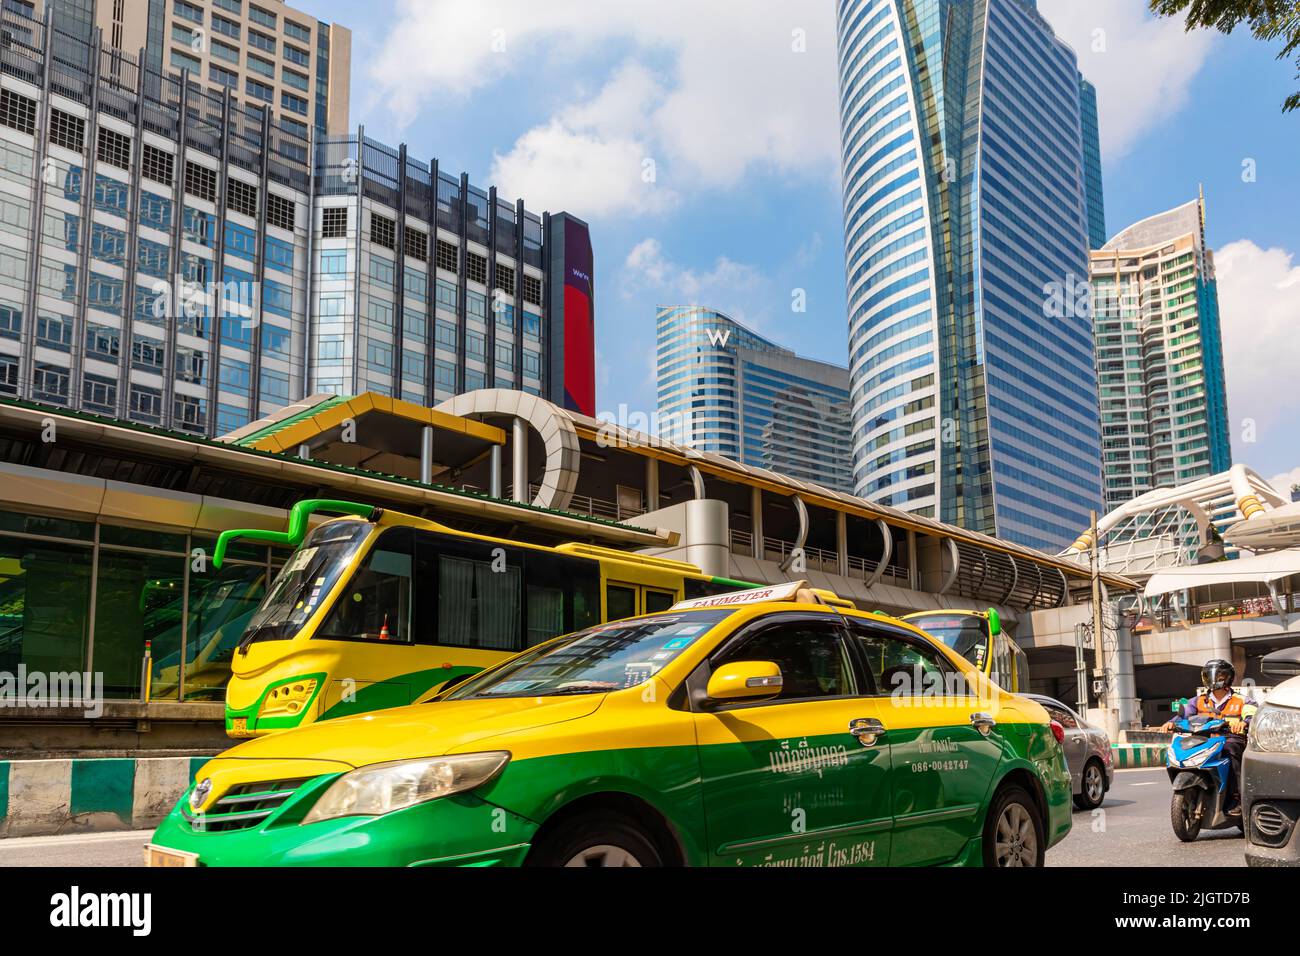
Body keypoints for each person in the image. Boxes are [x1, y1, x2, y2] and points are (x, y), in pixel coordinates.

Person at [1161, 659, 1253, 815]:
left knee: (1232, 750)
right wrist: (1170, 723)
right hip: (1204, 740)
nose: (1214, 680)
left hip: (1229, 739)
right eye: (1210, 676)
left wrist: (1243, 723)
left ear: (1228, 678)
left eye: (1219, 676)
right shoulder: (1197, 701)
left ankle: (1237, 797)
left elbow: (1251, 714)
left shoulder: (1242, 700)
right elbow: (1182, 717)